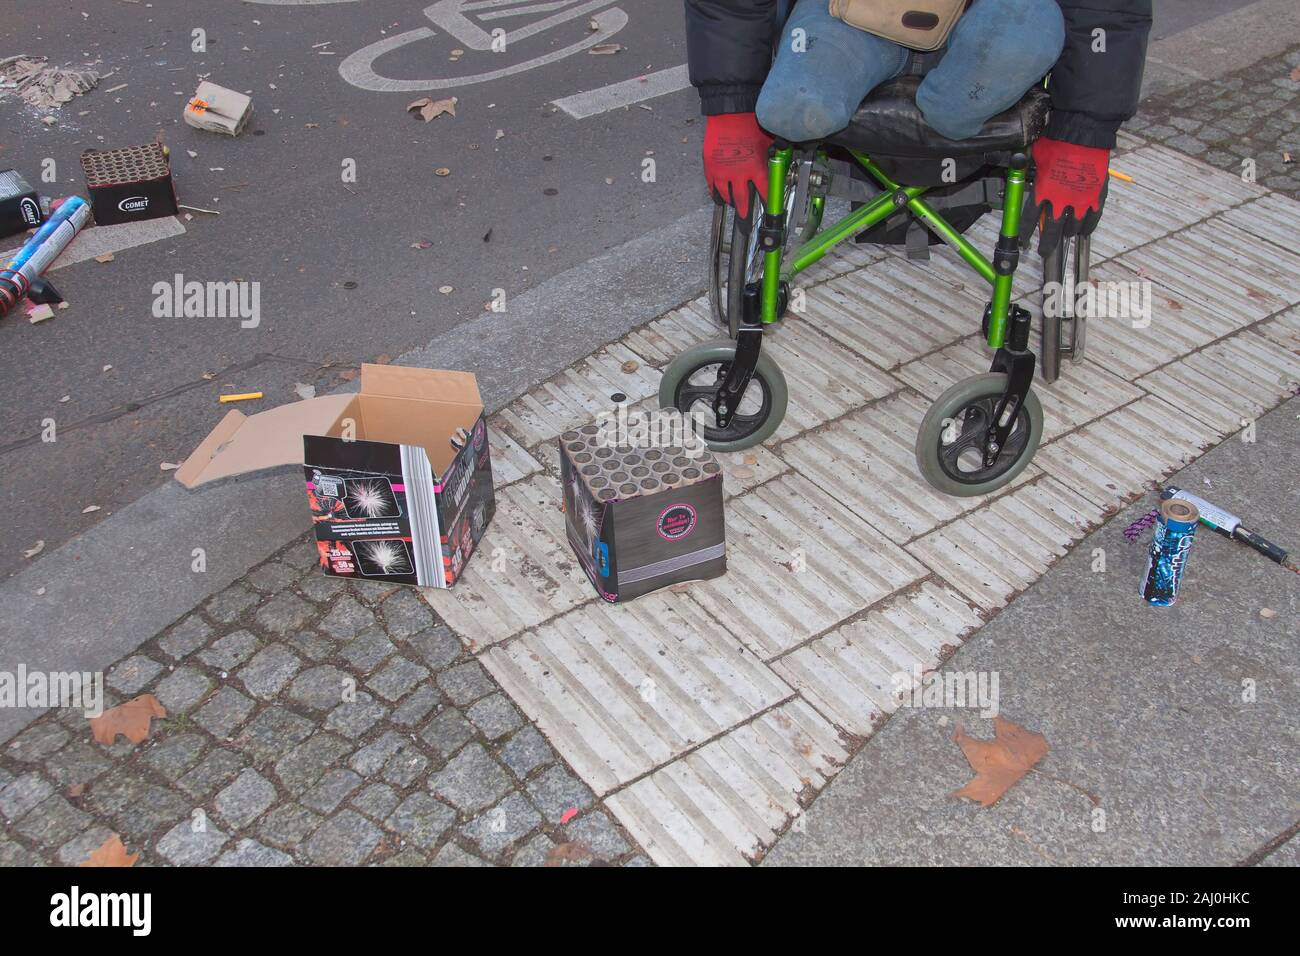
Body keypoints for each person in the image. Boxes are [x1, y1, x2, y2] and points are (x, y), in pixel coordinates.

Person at [685, 0, 1152, 253]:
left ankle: (953, 107)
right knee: (795, 107)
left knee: (1009, 49)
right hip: (850, 13)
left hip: (997, 14)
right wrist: (732, 108)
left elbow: (1110, 11)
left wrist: (1081, 135)